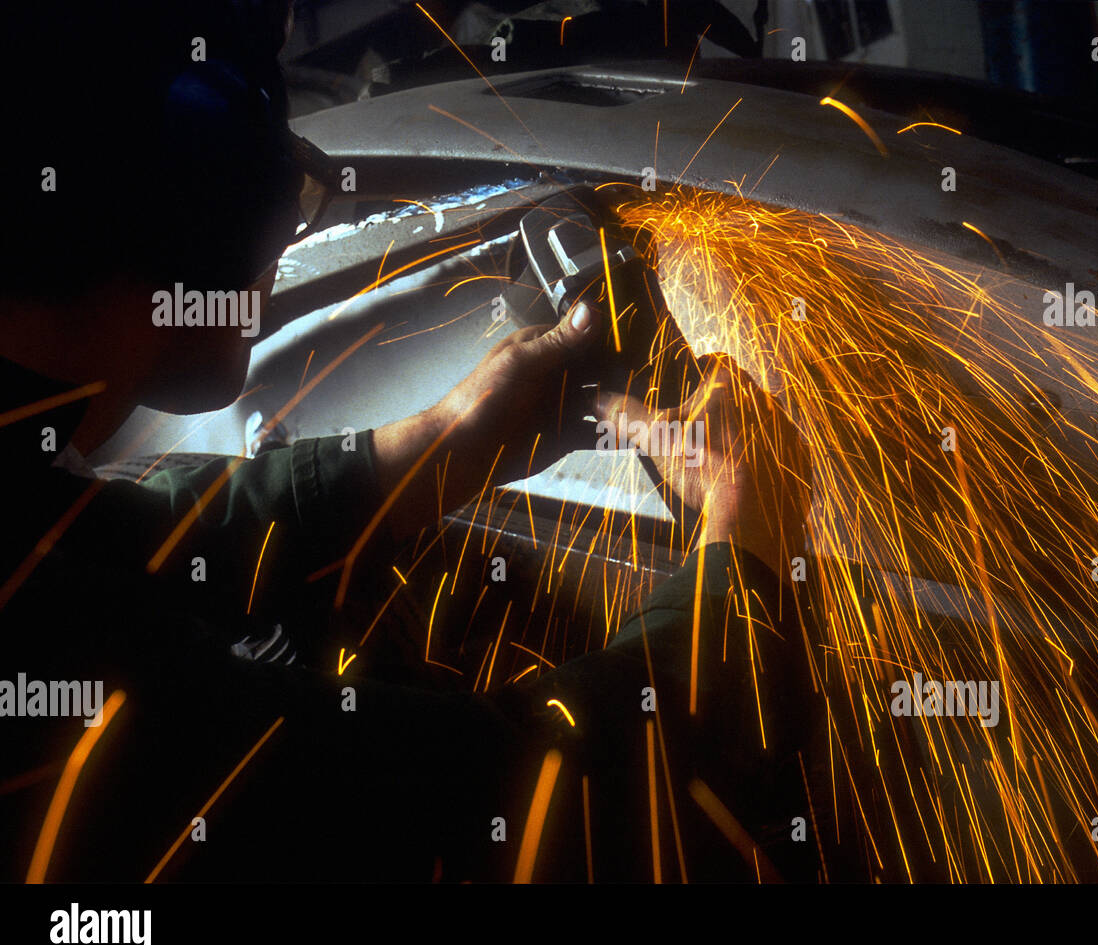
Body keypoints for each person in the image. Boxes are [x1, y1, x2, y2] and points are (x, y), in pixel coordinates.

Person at [0, 0, 815, 882]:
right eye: (282, 178)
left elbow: (131, 544)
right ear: (206, 189)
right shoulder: (71, 700)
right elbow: (522, 804)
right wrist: (748, 543)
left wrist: (455, 434)